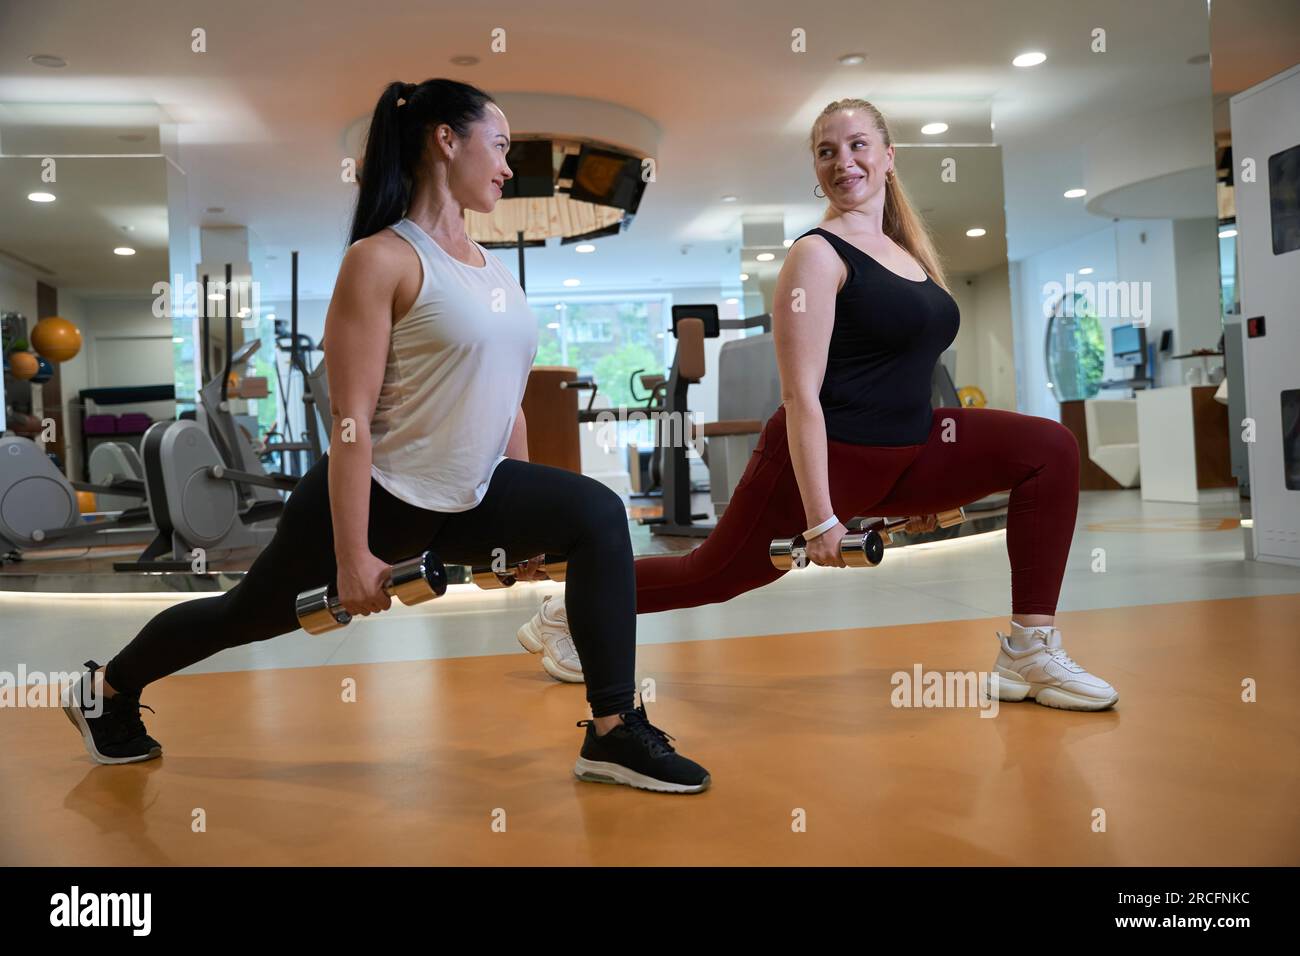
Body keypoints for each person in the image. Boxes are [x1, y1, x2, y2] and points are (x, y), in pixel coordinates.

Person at [61, 78, 711, 794]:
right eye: (497, 145)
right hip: (378, 495)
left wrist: (524, 518)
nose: (505, 166)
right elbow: (351, 421)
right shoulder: (382, 260)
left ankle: (614, 731)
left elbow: (510, 400)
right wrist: (351, 554)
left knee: (595, 513)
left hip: (465, 500)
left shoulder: (491, 270)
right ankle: (107, 689)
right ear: (445, 139)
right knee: (245, 616)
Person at [518, 98, 1118, 713]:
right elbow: (801, 396)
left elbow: (908, 372)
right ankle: (566, 610)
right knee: (710, 575)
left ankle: (1030, 648)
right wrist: (823, 517)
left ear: (889, 157)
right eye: (827, 151)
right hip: (828, 458)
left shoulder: (907, 252)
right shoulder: (817, 254)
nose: (844, 162)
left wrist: (941, 489)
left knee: (1050, 447)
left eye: (858, 145)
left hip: (908, 448)